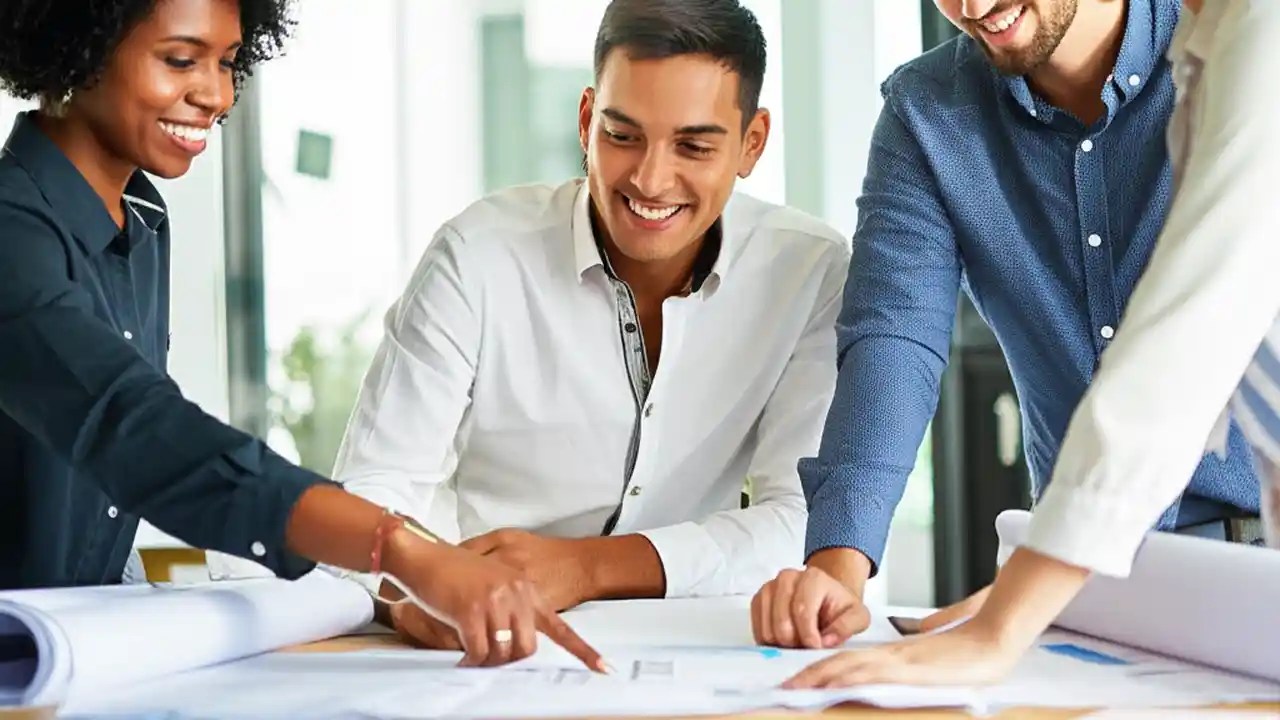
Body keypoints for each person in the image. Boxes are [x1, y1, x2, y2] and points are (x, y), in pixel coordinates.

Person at [0, 0, 603, 671]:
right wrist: (399, 549)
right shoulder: (10, 235)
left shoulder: (139, 220)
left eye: (227, 64)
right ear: (78, 44)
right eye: (180, 60)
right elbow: (135, 429)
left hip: (67, 661)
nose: (215, 95)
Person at [781, 0, 1280, 689]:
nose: (972, 6)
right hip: (1095, 592)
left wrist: (1003, 624)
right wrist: (839, 563)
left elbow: (1189, 338)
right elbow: (893, 336)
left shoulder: (1253, 43)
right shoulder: (927, 111)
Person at [330, 0, 849, 650]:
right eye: (622, 135)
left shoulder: (808, 269)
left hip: (694, 651)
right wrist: (412, 601)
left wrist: (587, 568)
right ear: (585, 120)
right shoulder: (478, 255)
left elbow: (802, 520)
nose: (650, 179)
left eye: (693, 145)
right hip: (479, 646)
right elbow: (365, 499)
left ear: (752, 143)